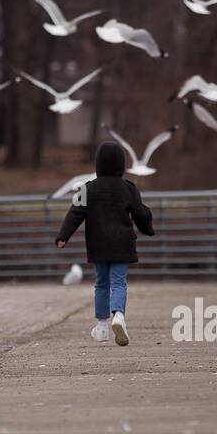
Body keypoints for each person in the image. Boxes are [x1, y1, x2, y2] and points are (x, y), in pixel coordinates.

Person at [55, 141, 154, 346]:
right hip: (122, 243)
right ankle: (118, 315)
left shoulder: (87, 189)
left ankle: (101, 327)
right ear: (121, 163)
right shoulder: (129, 188)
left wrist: (63, 236)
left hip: (98, 244)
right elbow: (140, 213)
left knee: (101, 283)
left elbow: (75, 213)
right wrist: (147, 228)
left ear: (98, 163)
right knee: (118, 282)